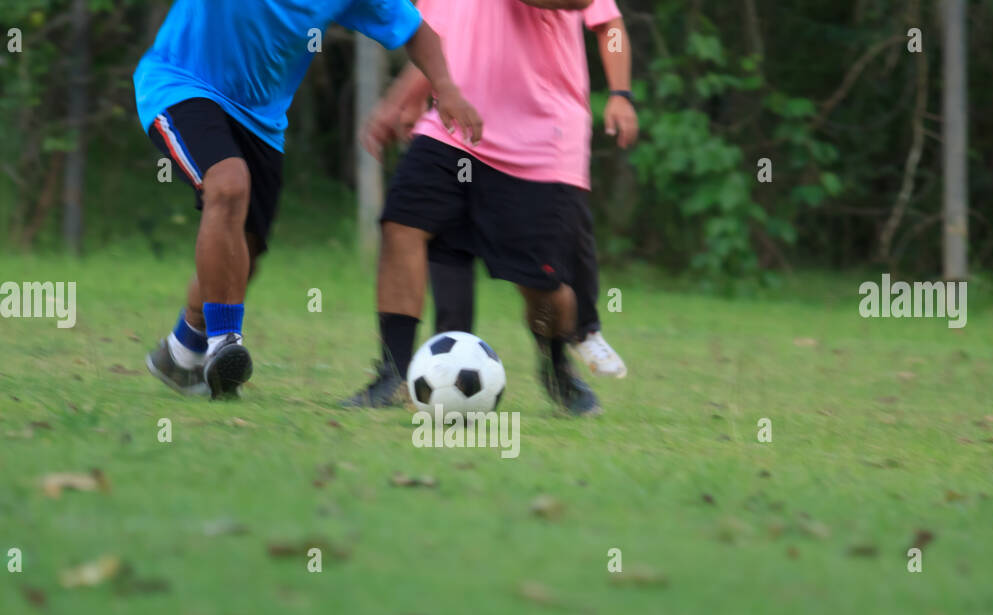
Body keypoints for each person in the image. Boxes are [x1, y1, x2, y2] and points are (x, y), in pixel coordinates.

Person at [136, 0, 481, 399]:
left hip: (262, 122)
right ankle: (224, 344)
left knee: (241, 254)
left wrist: (446, 88)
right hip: (180, 84)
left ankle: (181, 350)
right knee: (228, 185)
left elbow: (416, 30)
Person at [342, 0, 607, 416]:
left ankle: (556, 366)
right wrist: (401, 100)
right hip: (454, 125)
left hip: (535, 139)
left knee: (540, 283)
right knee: (402, 224)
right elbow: (437, 31)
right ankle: (392, 374)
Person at [427, 1, 636, 381]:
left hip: (547, 133)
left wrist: (621, 93)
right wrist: (409, 103)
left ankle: (582, 332)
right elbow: (432, 39)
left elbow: (610, 26)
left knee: (561, 245)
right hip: (468, 134)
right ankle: (442, 363)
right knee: (444, 240)